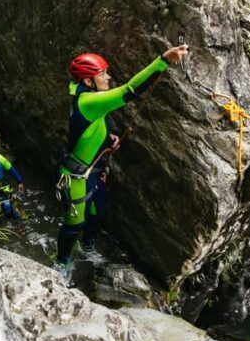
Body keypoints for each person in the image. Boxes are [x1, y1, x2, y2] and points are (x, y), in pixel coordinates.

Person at [55, 45, 190, 268]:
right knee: (74, 225)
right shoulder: (89, 102)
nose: (108, 77)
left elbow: (90, 126)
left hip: (92, 171)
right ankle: (61, 264)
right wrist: (163, 60)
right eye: (102, 74)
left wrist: (107, 139)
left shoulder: (88, 98)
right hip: (76, 178)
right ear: (88, 81)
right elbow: (130, 90)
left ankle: (86, 248)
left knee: (98, 212)